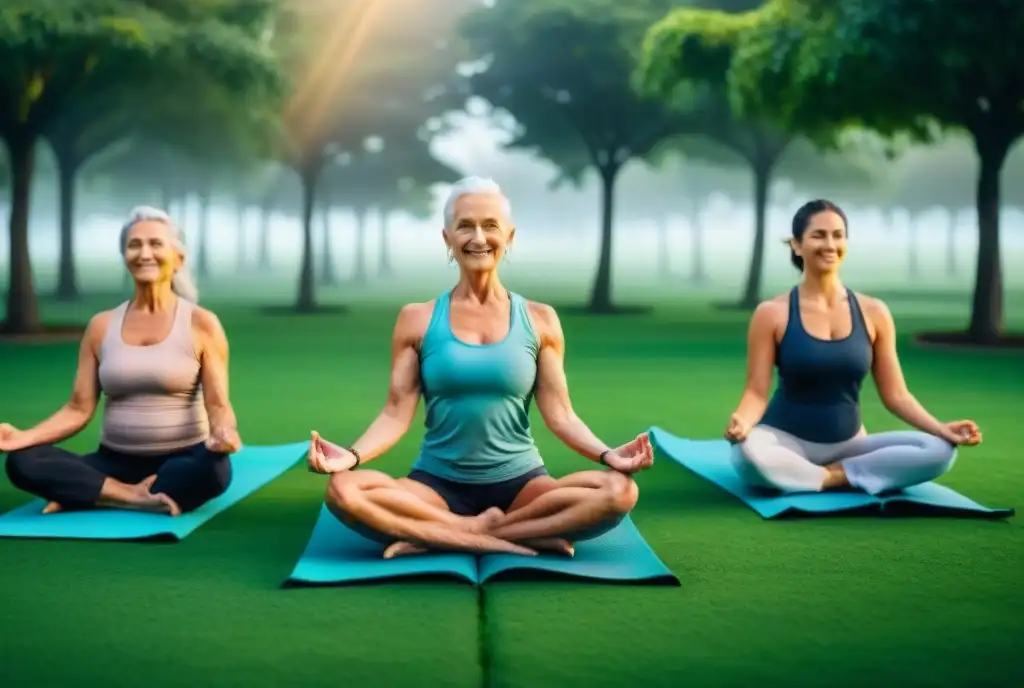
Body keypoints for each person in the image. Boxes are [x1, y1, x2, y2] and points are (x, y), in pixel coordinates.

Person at [307, 176, 653, 558]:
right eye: (465, 226)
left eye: (490, 226)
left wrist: (608, 455)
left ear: (510, 236)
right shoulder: (416, 319)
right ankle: (496, 534)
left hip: (523, 487)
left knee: (620, 491)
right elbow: (394, 413)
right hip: (435, 486)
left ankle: (433, 536)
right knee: (344, 490)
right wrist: (351, 457)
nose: (478, 237)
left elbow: (561, 414)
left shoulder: (540, 320)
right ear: (447, 239)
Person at [725, 199, 981, 495]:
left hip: (851, 445)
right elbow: (756, 391)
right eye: (818, 235)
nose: (830, 244)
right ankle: (841, 476)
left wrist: (941, 428)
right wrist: (743, 421)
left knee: (939, 450)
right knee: (747, 455)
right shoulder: (771, 313)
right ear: (797, 245)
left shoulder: (874, 312)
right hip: (784, 440)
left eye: (838, 235)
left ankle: (829, 477)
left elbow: (896, 395)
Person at [1, 206, 241, 516]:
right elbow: (78, 408)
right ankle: (128, 495)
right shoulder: (101, 326)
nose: (144, 253)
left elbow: (218, 405)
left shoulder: (201, 323)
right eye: (134, 245)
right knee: (23, 461)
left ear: (178, 258)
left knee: (215, 470)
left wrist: (224, 433)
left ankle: (90, 492)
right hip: (113, 462)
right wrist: (23, 438)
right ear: (125, 257)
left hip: (181, 460)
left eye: (156, 244)